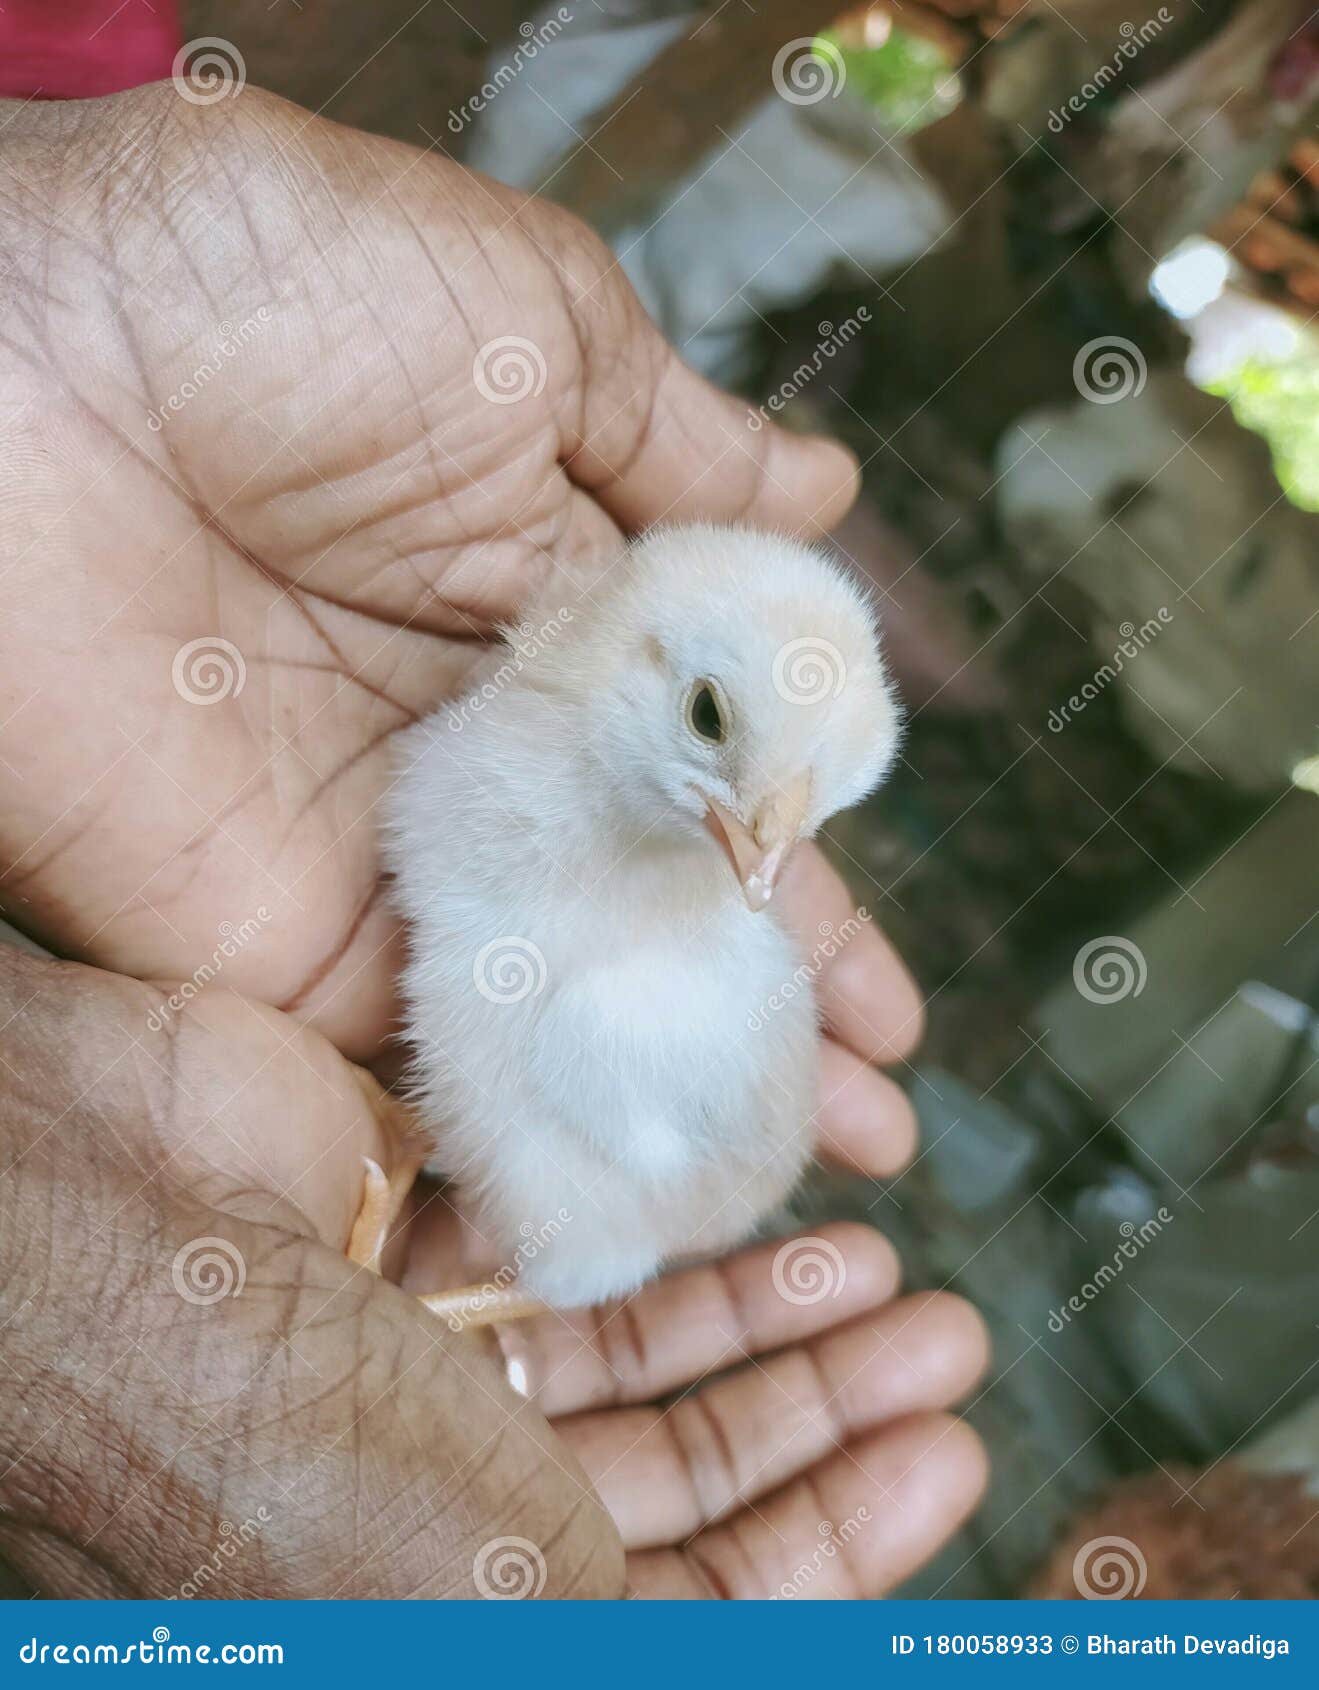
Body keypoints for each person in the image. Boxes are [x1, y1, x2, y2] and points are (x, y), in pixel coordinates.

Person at [0, 78, 988, 1599]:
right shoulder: (500, 746)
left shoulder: (666, 983)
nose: (764, 857)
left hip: (607, 1174)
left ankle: (453, 1287)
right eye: (726, 739)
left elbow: (657, 1184)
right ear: (641, 651)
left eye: (808, 816)